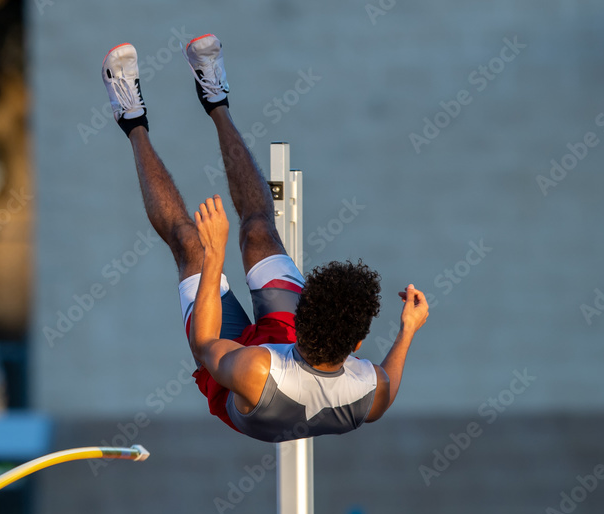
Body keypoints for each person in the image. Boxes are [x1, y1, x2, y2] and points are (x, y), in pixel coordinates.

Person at [101, 34, 429, 443]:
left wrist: (216, 253)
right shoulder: (369, 388)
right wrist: (408, 330)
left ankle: (131, 118)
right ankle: (215, 99)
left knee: (190, 244)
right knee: (257, 230)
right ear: (357, 346)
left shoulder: (256, 369)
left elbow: (205, 345)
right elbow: (390, 386)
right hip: (292, 360)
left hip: (243, 382)